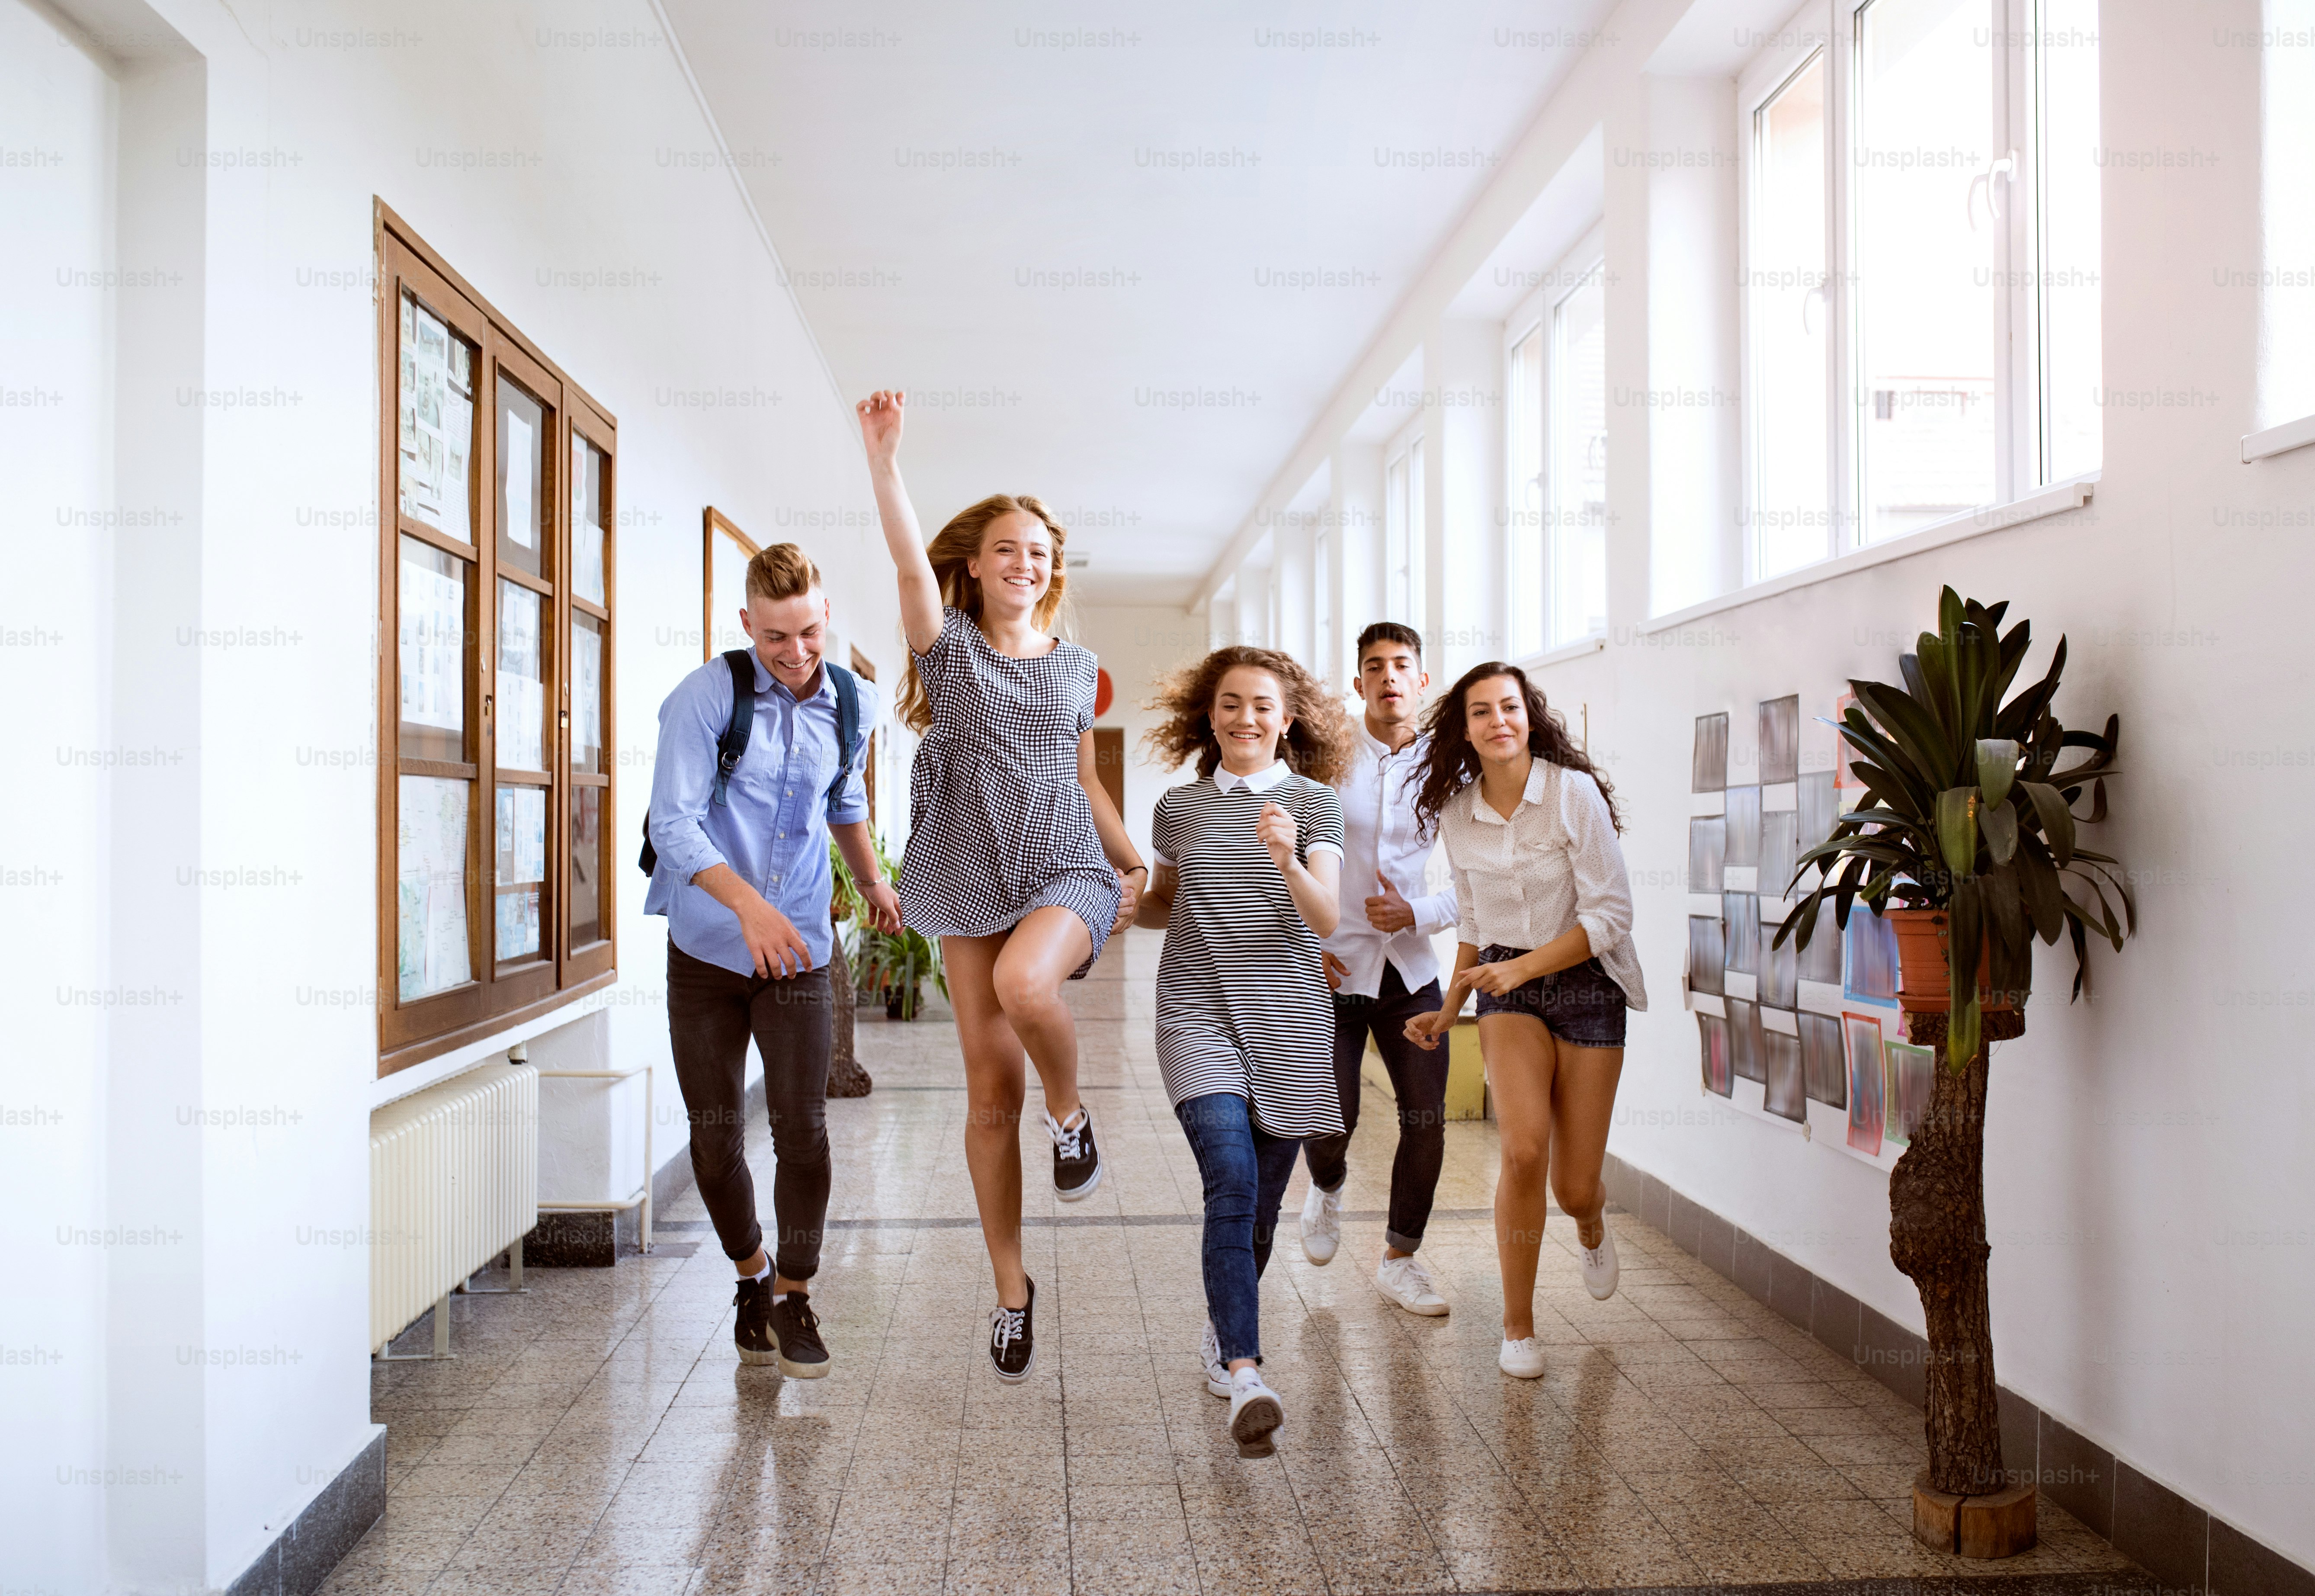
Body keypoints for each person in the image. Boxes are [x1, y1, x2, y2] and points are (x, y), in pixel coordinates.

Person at [856, 388, 1146, 1382]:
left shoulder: (1078, 666)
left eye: (1041, 553)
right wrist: (886, 463)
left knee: (1029, 987)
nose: (1027, 564)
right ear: (975, 567)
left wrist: (1130, 859)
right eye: (1008, 550)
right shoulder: (950, 651)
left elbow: (1084, 779)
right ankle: (1011, 1290)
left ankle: (1071, 1114)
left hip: (1064, 860)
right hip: (966, 864)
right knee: (988, 1095)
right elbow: (908, 564)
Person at [644, 542, 902, 1380]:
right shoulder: (707, 697)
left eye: (810, 634)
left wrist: (871, 880)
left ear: (826, 618)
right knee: (715, 1139)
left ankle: (793, 1292)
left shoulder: (851, 701)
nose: (795, 654)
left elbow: (844, 800)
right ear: (746, 624)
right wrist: (747, 906)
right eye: (776, 637)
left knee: (803, 1130)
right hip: (708, 948)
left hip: (797, 949)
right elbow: (672, 824)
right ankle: (750, 1273)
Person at [1402, 663, 1646, 1380]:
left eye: (1509, 706)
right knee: (1522, 1151)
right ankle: (1518, 1328)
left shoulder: (1572, 794)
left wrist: (1523, 969)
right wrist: (1450, 1009)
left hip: (1589, 982)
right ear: (1465, 729)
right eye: (1481, 711)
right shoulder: (1457, 815)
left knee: (1574, 1186)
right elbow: (1474, 924)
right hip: (1507, 990)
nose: (1498, 721)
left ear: (1529, 716)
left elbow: (1612, 915)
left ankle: (1591, 1221)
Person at [1136, 646, 1351, 1456]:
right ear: (1210, 714)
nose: (1246, 717)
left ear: (1287, 720)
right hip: (1196, 1012)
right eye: (1231, 703)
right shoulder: (1179, 808)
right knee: (1229, 1177)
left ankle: (1225, 1323)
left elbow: (1326, 918)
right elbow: (1163, 902)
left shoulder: (1315, 803)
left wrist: (1287, 857)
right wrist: (1120, 904)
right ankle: (1247, 1370)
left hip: (1290, 1021)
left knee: (1257, 1209)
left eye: (1263, 705)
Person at [1298, 622, 1460, 1318]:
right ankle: (1326, 1185)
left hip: (1411, 972)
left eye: (1401, 664)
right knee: (1331, 1117)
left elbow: (1483, 879)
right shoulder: (1327, 758)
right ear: (1358, 681)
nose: (1389, 676)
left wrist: (1417, 911)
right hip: (1334, 966)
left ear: (1421, 680)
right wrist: (1305, 943)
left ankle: (1400, 1258)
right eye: (1375, 665)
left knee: (1426, 1118)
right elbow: (1283, 858)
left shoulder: (1450, 767)